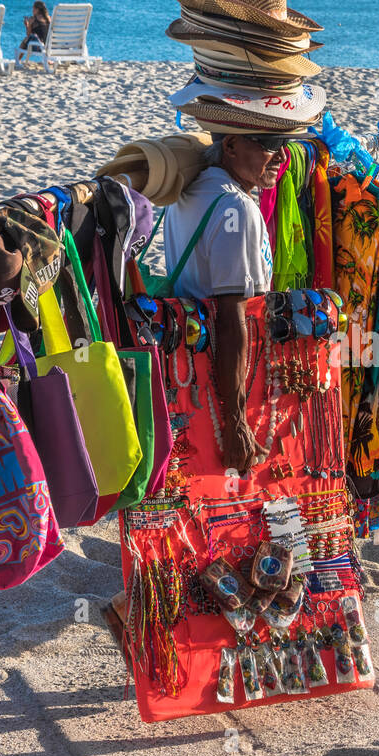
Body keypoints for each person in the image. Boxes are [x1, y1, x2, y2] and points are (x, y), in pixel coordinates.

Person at [102, 132, 286, 645]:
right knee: (221, 505)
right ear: (229, 145)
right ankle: (145, 621)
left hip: (182, 372)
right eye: (266, 144)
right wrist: (236, 419)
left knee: (187, 506)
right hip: (219, 378)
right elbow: (232, 318)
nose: (279, 156)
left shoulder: (193, 191)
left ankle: (141, 617)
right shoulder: (236, 210)